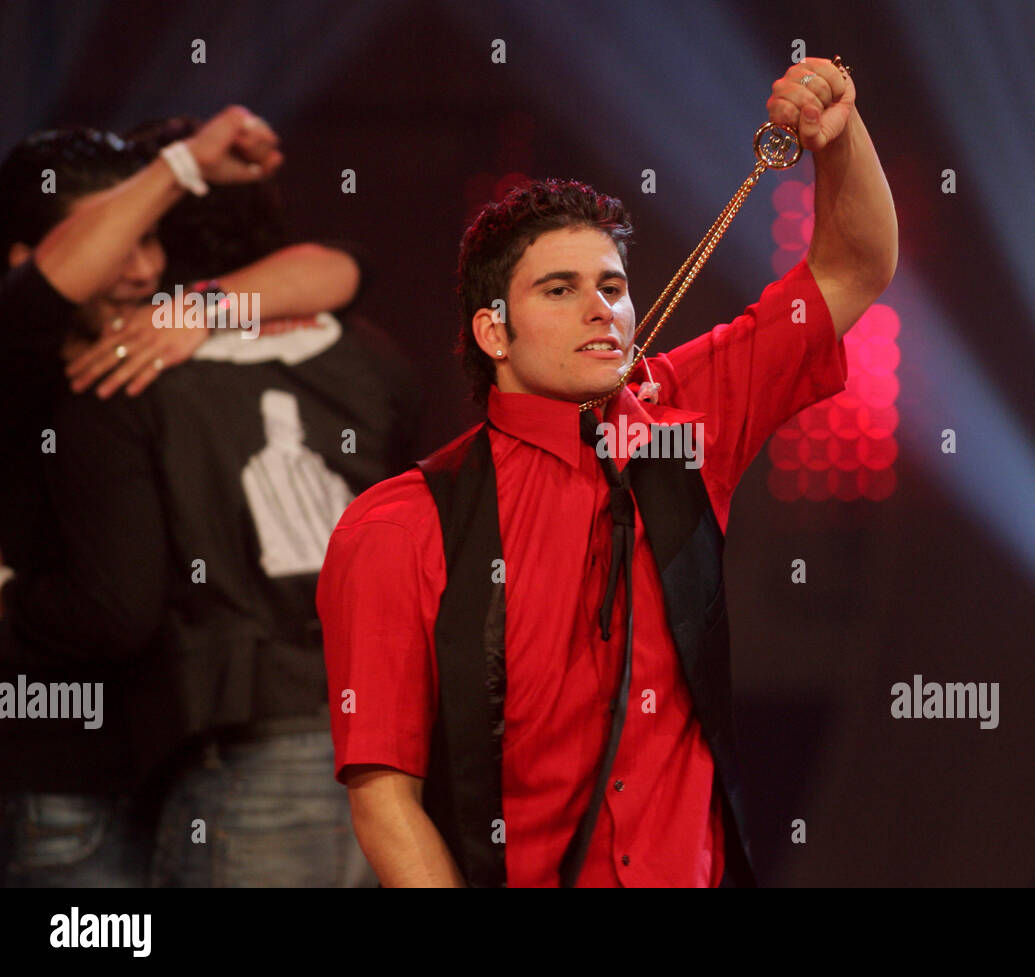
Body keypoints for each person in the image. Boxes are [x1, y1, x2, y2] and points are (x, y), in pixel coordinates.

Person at [318, 56, 897, 887]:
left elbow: (853, 269)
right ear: (494, 332)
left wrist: (838, 141)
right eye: (560, 289)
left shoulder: (682, 417)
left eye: (614, 285)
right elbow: (384, 797)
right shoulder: (398, 525)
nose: (603, 308)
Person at [0, 109, 416, 886]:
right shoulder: (33, 361)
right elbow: (115, 609)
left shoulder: (141, 361)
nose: (137, 271)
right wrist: (184, 165)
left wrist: (198, 308)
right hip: (58, 777)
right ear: (30, 262)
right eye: (109, 243)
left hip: (179, 761)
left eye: (150, 239)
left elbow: (343, 265)